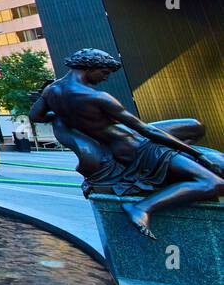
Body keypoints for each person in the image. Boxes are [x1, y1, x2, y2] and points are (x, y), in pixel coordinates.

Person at [29, 48, 224, 238]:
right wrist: (199, 155)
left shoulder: (51, 90)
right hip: (140, 148)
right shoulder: (97, 97)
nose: (105, 78)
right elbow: (146, 130)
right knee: (214, 183)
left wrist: (61, 115)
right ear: (89, 68)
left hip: (127, 140)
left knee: (194, 126)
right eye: (104, 73)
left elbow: (36, 116)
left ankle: (177, 166)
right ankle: (142, 207)